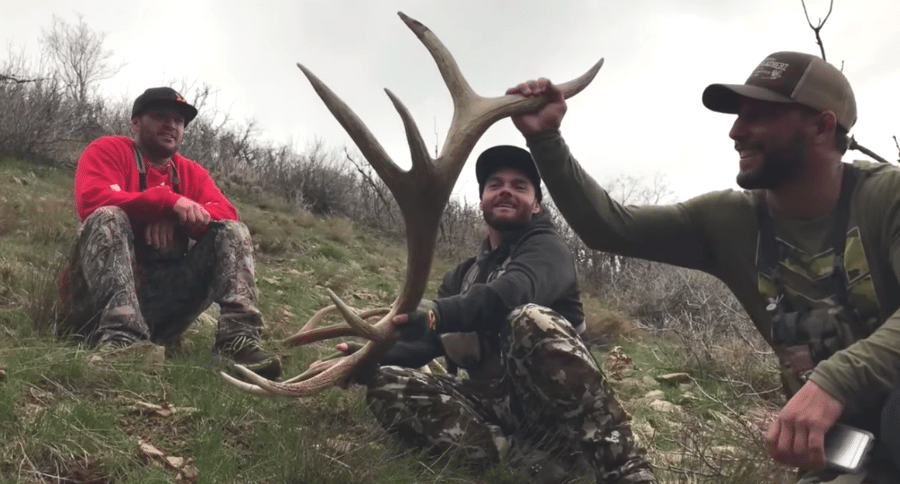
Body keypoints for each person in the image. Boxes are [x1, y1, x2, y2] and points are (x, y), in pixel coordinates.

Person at [506, 51, 900, 483]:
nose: (736, 131)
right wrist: (545, 140)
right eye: (737, 116)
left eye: (759, 116)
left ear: (823, 126)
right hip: (839, 450)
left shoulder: (887, 198)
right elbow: (608, 228)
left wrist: (833, 383)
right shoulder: (728, 221)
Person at [339, 145, 656, 483]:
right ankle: (529, 465)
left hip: (560, 418)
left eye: (520, 185)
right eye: (495, 184)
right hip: (494, 408)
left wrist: (436, 315)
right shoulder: (461, 277)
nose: (506, 190)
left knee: (528, 318)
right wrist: (361, 360)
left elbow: (511, 293)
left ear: (536, 204)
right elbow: (426, 343)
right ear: (482, 200)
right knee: (385, 381)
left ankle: (623, 470)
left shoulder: (550, 250)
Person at [59, 86, 282, 380]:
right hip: (91, 311)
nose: (171, 125)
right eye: (160, 116)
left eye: (178, 121)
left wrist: (176, 219)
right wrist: (164, 202)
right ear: (135, 123)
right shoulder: (107, 151)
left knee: (232, 232)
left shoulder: (192, 173)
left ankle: (237, 342)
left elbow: (227, 213)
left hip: (161, 310)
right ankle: (121, 341)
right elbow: (92, 200)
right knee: (108, 217)